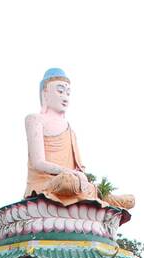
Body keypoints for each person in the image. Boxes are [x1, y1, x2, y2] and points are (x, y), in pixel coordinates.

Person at [25, 68, 135, 210]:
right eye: (60, 91)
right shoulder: (35, 119)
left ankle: (102, 195)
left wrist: (79, 175)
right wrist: (70, 173)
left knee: (78, 183)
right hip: (46, 183)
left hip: (75, 182)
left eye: (68, 93)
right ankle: (100, 197)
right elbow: (37, 162)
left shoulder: (70, 130)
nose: (65, 97)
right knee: (68, 182)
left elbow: (78, 168)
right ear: (45, 93)